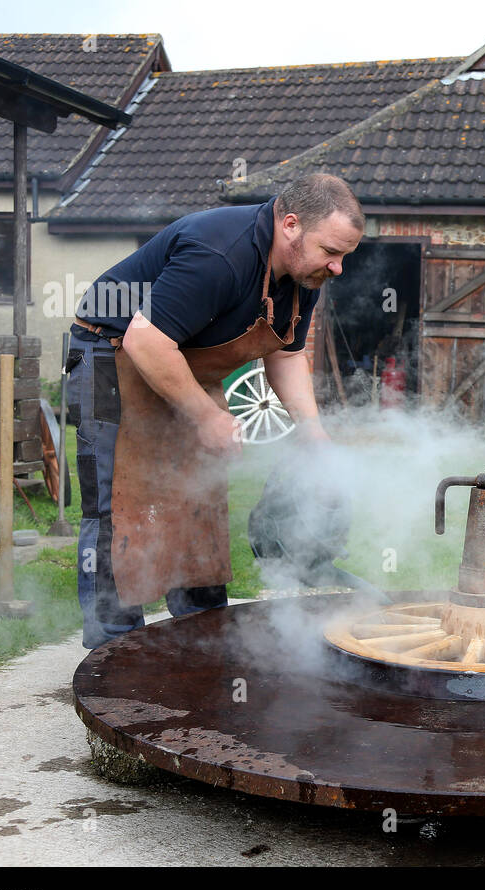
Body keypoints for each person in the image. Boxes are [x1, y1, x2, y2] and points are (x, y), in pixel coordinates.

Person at [67, 173, 363, 650]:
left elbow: (285, 353)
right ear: (291, 225)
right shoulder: (219, 254)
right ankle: (114, 654)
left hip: (181, 363)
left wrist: (312, 431)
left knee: (200, 501)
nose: (338, 267)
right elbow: (146, 338)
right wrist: (208, 417)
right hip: (111, 355)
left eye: (344, 255)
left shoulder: (302, 275)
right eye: (332, 251)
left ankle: (203, 641)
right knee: (117, 507)